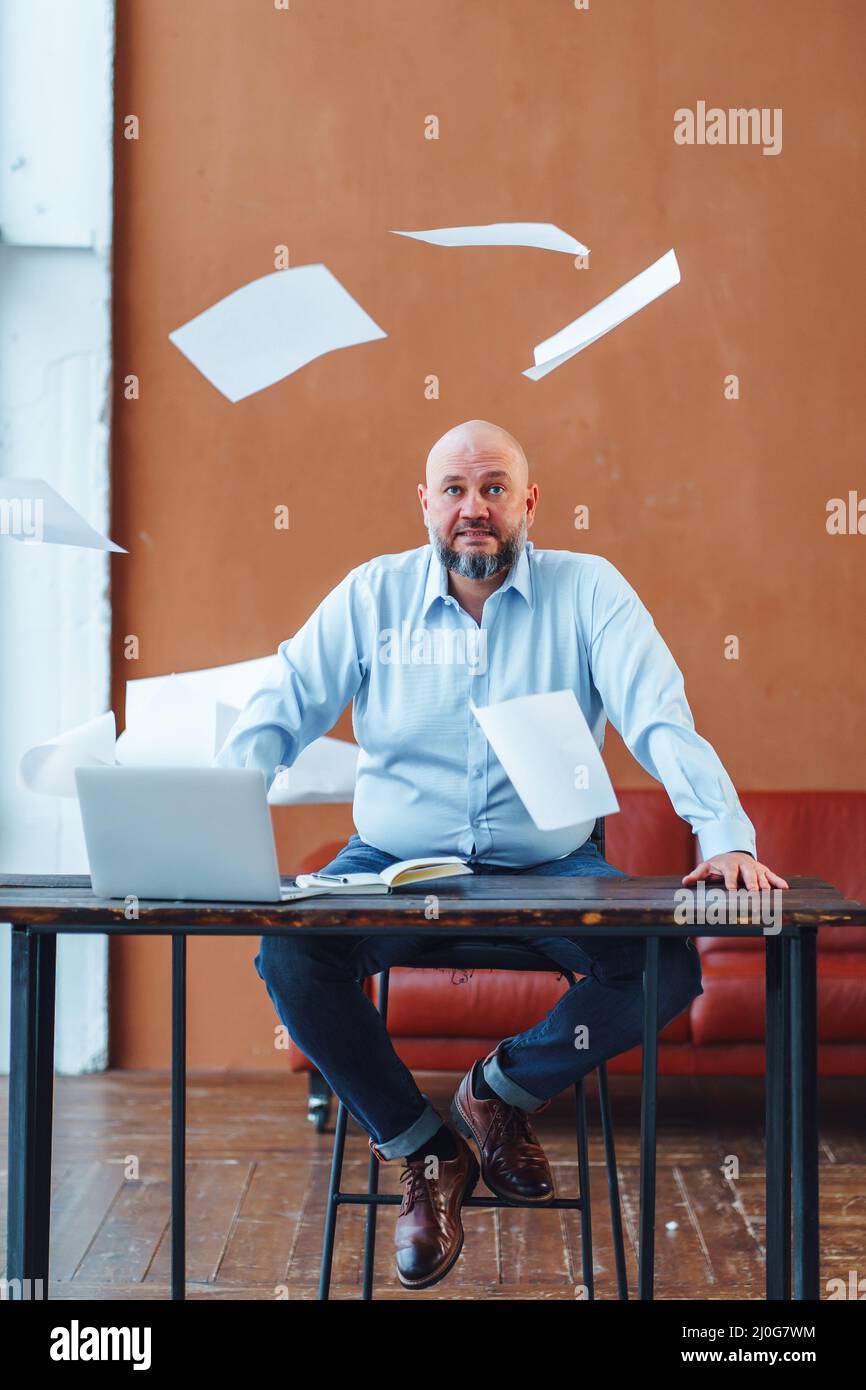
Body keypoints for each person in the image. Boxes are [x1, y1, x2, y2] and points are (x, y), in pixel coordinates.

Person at [215, 419, 788, 1291]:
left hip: (551, 867)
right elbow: (280, 707)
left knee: (666, 970)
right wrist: (215, 821)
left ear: (529, 501)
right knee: (290, 958)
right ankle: (424, 1147)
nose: (472, 508)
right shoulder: (373, 597)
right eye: (453, 489)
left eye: (492, 488)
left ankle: (499, 1093)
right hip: (389, 863)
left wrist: (727, 836)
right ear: (425, 504)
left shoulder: (590, 592)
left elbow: (659, 715)